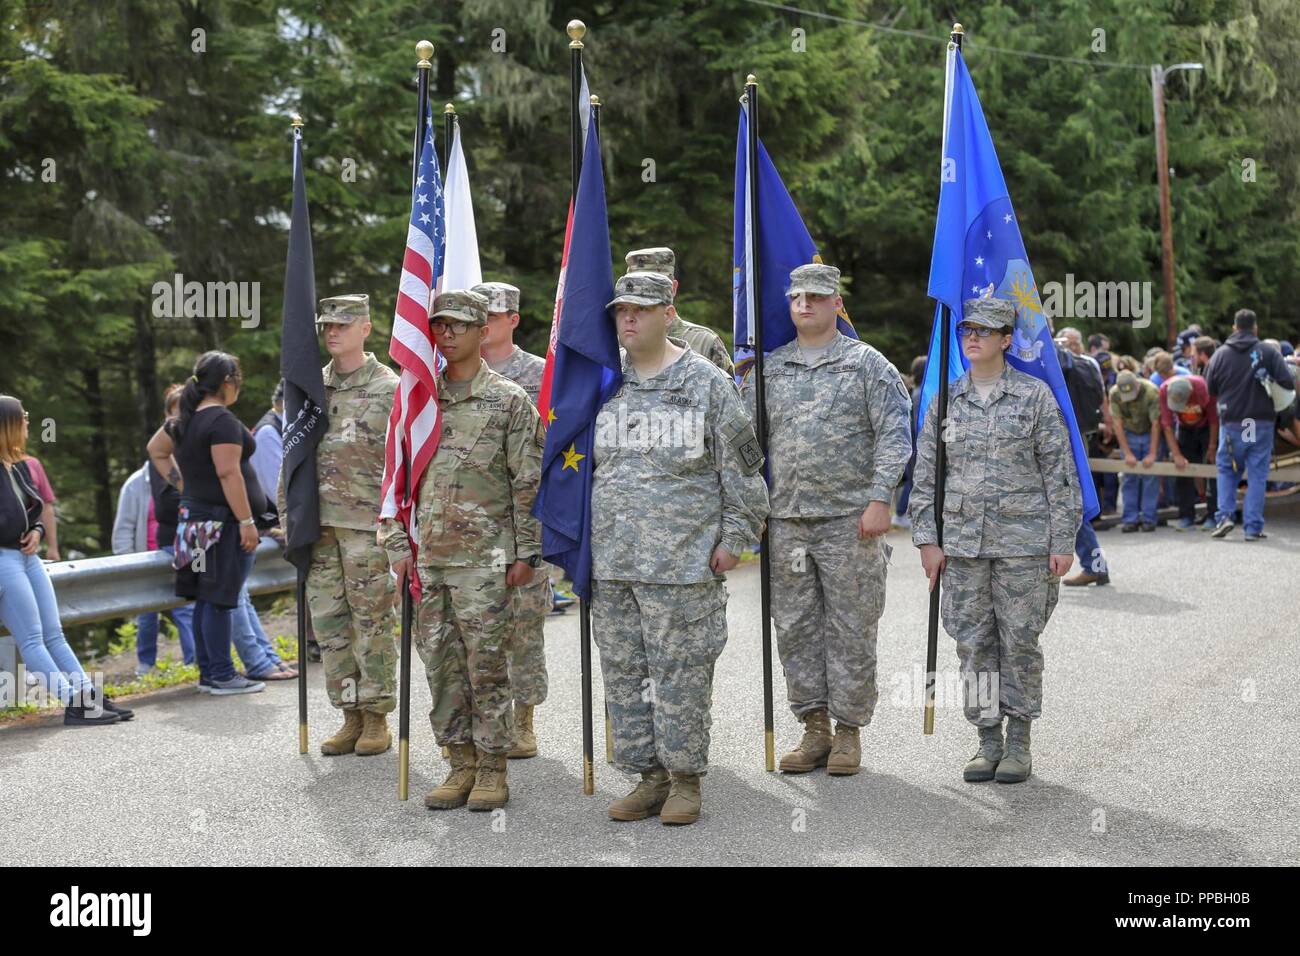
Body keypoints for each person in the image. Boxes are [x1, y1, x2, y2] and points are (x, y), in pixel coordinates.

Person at [588, 272, 767, 825]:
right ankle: (648, 777)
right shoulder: (599, 383)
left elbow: (744, 470)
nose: (629, 319)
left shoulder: (707, 384)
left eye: (641, 309)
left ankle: (686, 780)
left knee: (681, 676)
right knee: (624, 673)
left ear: (669, 313)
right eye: (621, 311)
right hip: (613, 563)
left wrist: (736, 537)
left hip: (684, 566)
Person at [743, 264, 911, 776]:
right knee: (794, 627)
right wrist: (754, 507)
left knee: (851, 626)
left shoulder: (867, 365)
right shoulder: (770, 371)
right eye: (797, 297)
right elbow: (746, 446)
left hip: (849, 520)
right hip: (787, 520)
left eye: (816, 297)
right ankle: (813, 726)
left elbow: (894, 435)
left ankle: (848, 731)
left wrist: (881, 498)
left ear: (837, 303)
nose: (804, 305)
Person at [380, 290, 542, 811]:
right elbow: (396, 482)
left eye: (458, 326)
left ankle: (493, 767)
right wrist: (396, 543)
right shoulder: (417, 401)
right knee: (441, 667)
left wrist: (526, 552)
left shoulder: (509, 400)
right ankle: (459, 763)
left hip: (487, 562)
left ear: (481, 330)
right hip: (429, 559)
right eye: (439, 326)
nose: (446, 335)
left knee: (487, 666)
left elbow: (528, 482)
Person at [909, 298, 1080, 784]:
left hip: (1024, 544)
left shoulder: (1035, 397)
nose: (973, 337)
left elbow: (1060, 475)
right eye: (968, 329)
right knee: (974, 644)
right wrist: (926, 539)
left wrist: (1062, 539)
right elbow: (926, 475)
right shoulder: (945, 399)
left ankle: (1020, 740)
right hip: (962, 547)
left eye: (986, 331)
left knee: (1020, 642)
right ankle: (987, 739)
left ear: (1007, 339)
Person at [279, 294, 398, 754]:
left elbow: (403, 463)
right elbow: (291, 456)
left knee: (372, 624)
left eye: (343, 325)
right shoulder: (310, 387)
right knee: (330, 625)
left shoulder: (388, 388)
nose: (332, 332)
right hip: (318, 525)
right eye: (327, 325)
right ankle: (349, 712)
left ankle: (376, 717)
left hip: (368, 526)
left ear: (366, 328)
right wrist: (287, 514)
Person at [1, 395, 130, 724]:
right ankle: (74, 703)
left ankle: (88, 696)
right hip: (5, 561)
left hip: (28, 557)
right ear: (8, 425)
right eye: (24, 417)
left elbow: (36, 511)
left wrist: (38, 532)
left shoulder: (18, 465)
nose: (30, 422)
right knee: (31, 638)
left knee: (54, 633)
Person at [147, 351, 268, 696]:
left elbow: (155, 449)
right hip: (221, 525)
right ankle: (222, 674)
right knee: (220, 599)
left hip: (194, 525)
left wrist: (184, 484)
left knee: (205, 597)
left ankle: (209, 673)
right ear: (228, 382)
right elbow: (228, 472)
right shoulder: (222, 421)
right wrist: (246, 521)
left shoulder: (184, 419)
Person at [473, 280, 551, 760]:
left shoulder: (541, 375)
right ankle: (484, 718)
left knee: (525, 625)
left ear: (513, 319)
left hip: (523, 516)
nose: (486, 326)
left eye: (495, 316)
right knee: (476, 627)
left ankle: (524, 718)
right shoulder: (452, 374)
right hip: (471, 521)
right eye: (478, 317)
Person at [112, 423, 197, 674]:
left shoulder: (182, 477)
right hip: (147, 558)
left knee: (185, 609)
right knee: (147, 615)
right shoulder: (136, 484)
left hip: (178, 553)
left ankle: (193, 662)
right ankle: (146, 665)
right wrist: (128, 563)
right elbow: (123, 529)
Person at [1204, 309, 1296, 539]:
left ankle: (1224, 516)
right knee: (1256, 474)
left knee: (1227, 470)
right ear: (1255, 328)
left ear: (1235, 327)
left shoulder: (1220, 354)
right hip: (1259, 420)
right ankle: (1253, 527)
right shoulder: (1267, 351)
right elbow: (1287, 381)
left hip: (1233, 420)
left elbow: (1210, 388)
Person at [623, 247, 734, 376]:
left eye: (656, 287)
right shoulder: (616, 344)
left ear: (673, 289)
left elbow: (729, 393)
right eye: (637, 286)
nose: (645, 293)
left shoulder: (703, 343)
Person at [1159, 374, 1218, 531]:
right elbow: (1167, 425)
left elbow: (1214, 419)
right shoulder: (1165, 390)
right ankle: (1186, 516)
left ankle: (1213, 516)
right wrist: (1177, 454)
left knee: (1211, 471)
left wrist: (1212, 446)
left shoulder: (1202, 388)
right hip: (1185, 429)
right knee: (1183, 470)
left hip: (1206, 428)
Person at [1108, 370, 1161, 532]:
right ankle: (1130, 519)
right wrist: (1127, 452)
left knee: (1150, 476)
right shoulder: (1115, 394)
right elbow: (1117, 424)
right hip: (1129, 433)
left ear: (1137, 384)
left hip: (1148, 432)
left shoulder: (1151, 391)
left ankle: (1148, 518)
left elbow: (1156, 424)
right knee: (1129, 476)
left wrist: (1152, 453)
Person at [893, 355, 926, 529]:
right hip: (915, 445)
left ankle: (903, 513)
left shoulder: (917, 392)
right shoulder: (920, 395)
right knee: (914, 480)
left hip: (913, 444)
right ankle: (900, 513)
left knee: (913, 480)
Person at [21, 454, 58, 561]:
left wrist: (52, 547)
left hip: (28, 549)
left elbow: (46, 506)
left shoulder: (32, 463)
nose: (26, 436)